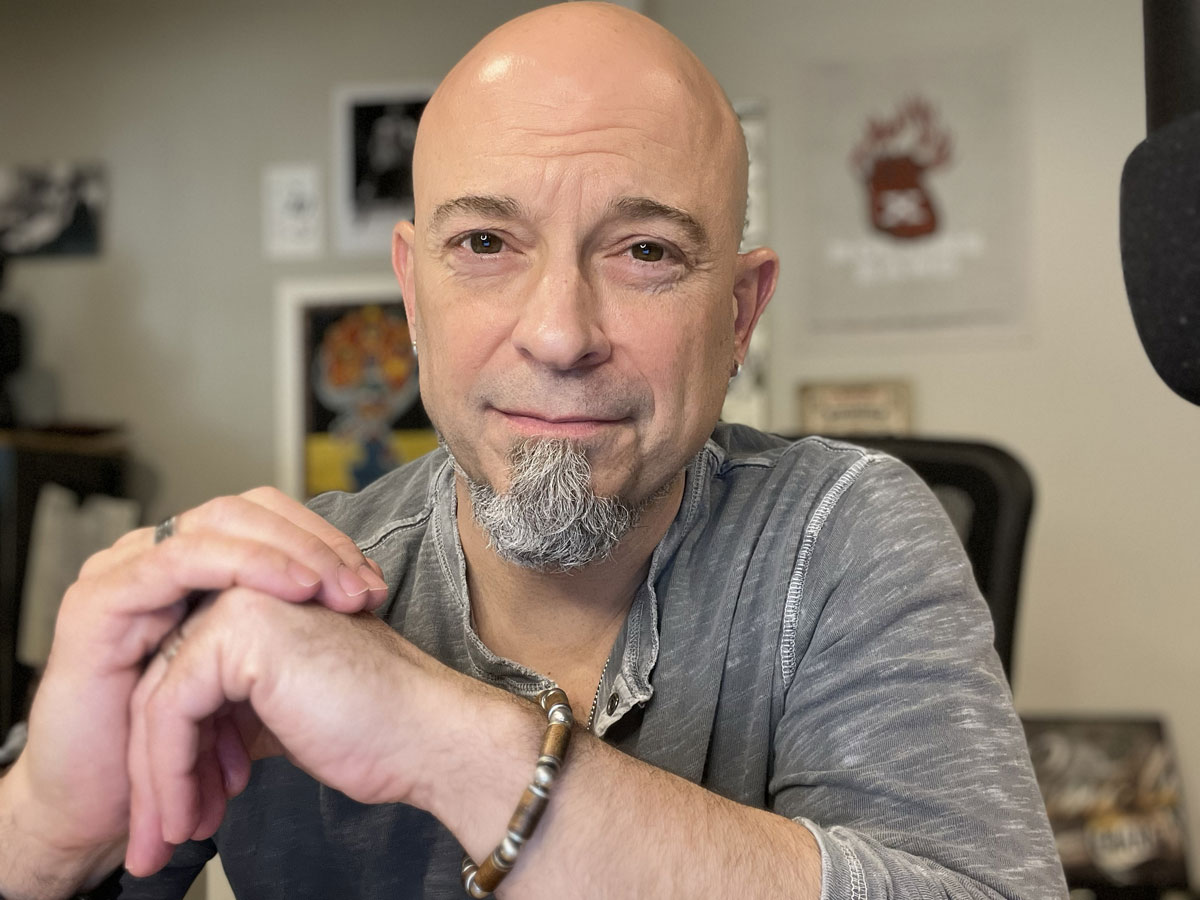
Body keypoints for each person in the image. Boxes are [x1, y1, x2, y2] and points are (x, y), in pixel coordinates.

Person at [0, 4, 1068, 898]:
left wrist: (447, 740)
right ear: (413, 293)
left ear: (739, 316)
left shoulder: (845, 531)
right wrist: (48, 826)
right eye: (485, 245)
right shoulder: (279, 605)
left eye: (646, 251)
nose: (559, 335)